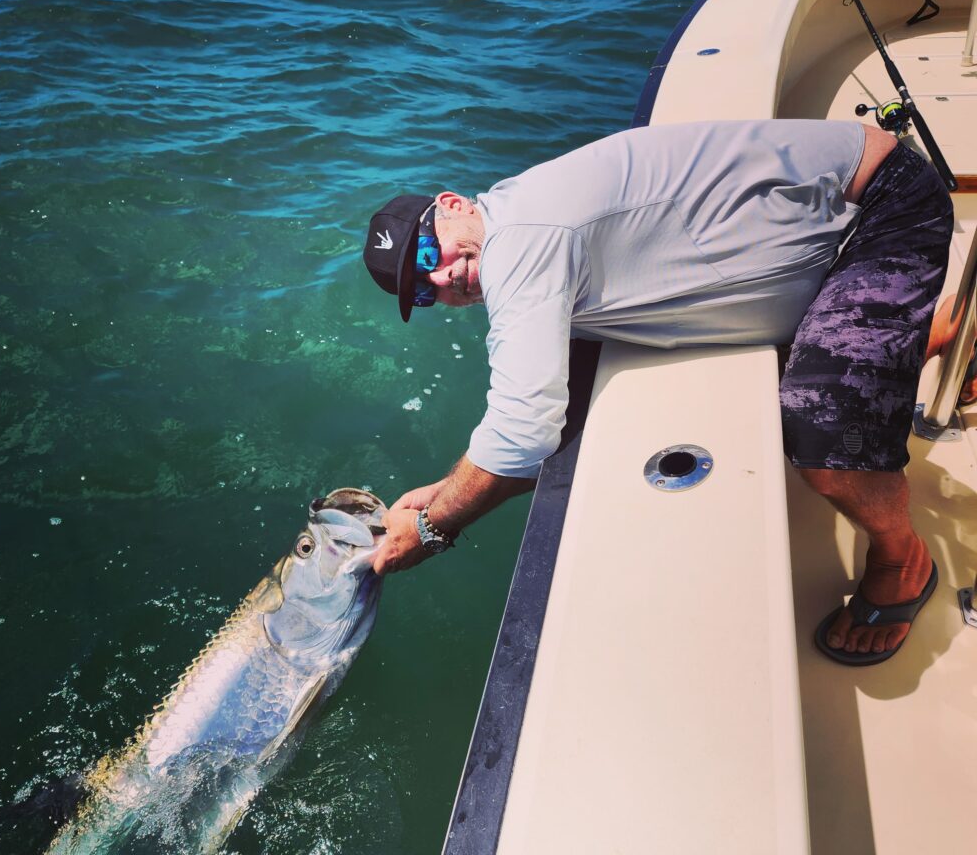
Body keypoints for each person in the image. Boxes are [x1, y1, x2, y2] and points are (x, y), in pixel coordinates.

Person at [362, 119, 962, 666]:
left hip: (883, 207)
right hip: (823, 237)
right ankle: (905, 338)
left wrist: (436, 529)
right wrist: (449, 488)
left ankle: (901, 559)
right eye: (423, 291)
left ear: (451, 205)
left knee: (823, 436)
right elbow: (550, 408)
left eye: (426, 254)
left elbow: (523, 429)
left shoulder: (518, 242)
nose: (443, 279)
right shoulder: (520, 225)